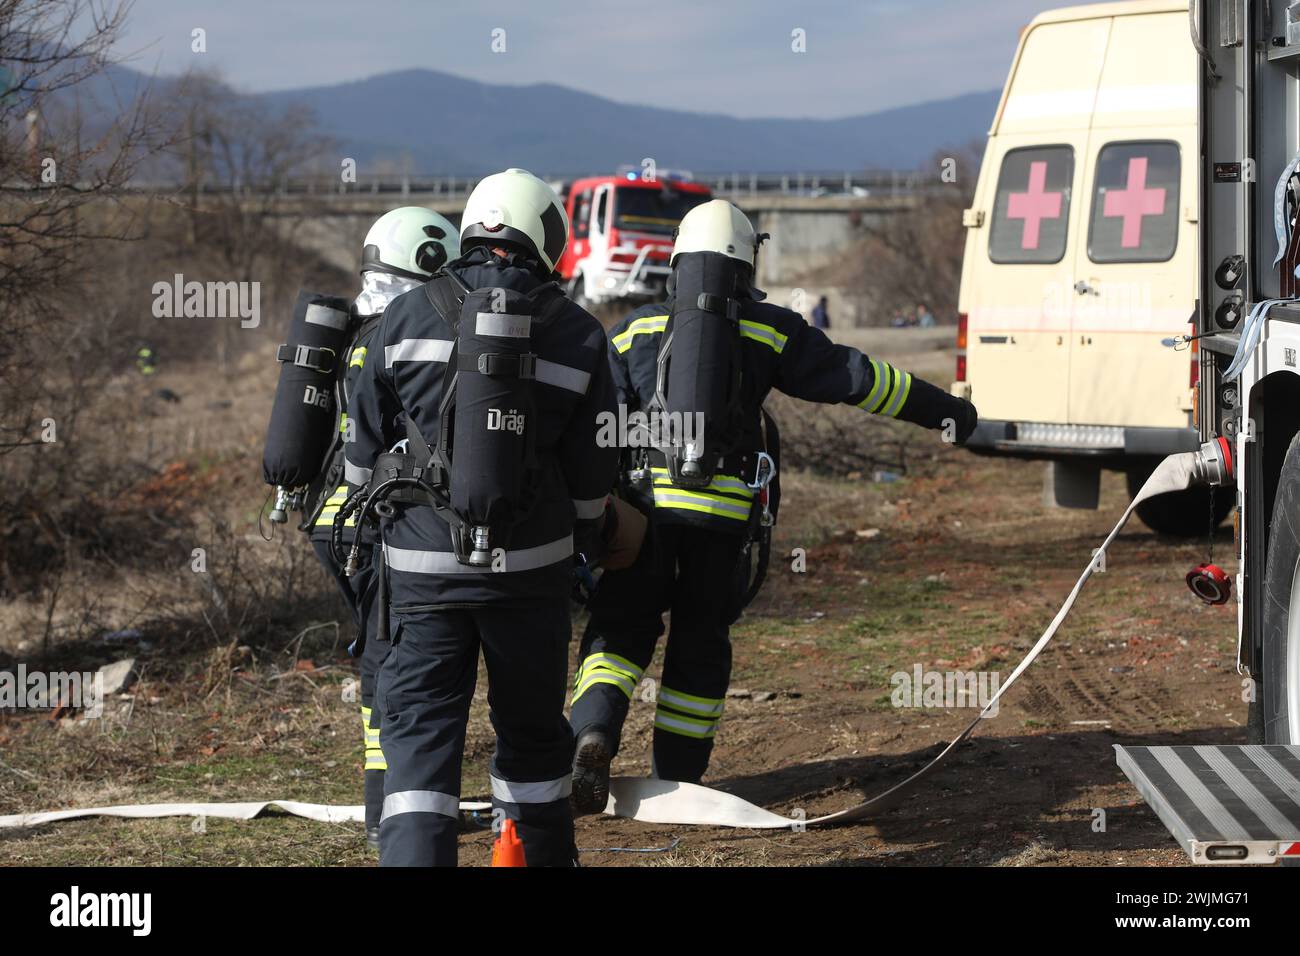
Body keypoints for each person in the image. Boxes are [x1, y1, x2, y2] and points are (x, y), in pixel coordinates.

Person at [568, 200, 979, 811]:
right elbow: (859, 379)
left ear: (679, 260)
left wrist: (593, 512)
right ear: (745, 263)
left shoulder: (635, 327)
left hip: (647, 514)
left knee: (621, 629)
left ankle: (594, 732)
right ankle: (678, 780)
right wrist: (948, 412)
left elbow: (598, 423)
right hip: (725, 521)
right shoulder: (771, 328)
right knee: (702, 640)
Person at [344, 169, 619, 866]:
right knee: (531, 735)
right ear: (544, 237)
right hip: (530, 577)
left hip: (420, 573)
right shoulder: (580, 333)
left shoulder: (401, 318)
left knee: (419, 744)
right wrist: (581, 538)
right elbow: (593, 478)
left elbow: (365, 448)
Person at [303, 206, 461, 849]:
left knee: (376, 649)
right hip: (377, 522)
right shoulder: (408, 334)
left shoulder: (350, 332)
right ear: (427, 263)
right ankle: (387, 808)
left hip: (330, 521)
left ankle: (388, 803)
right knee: (388, 659)